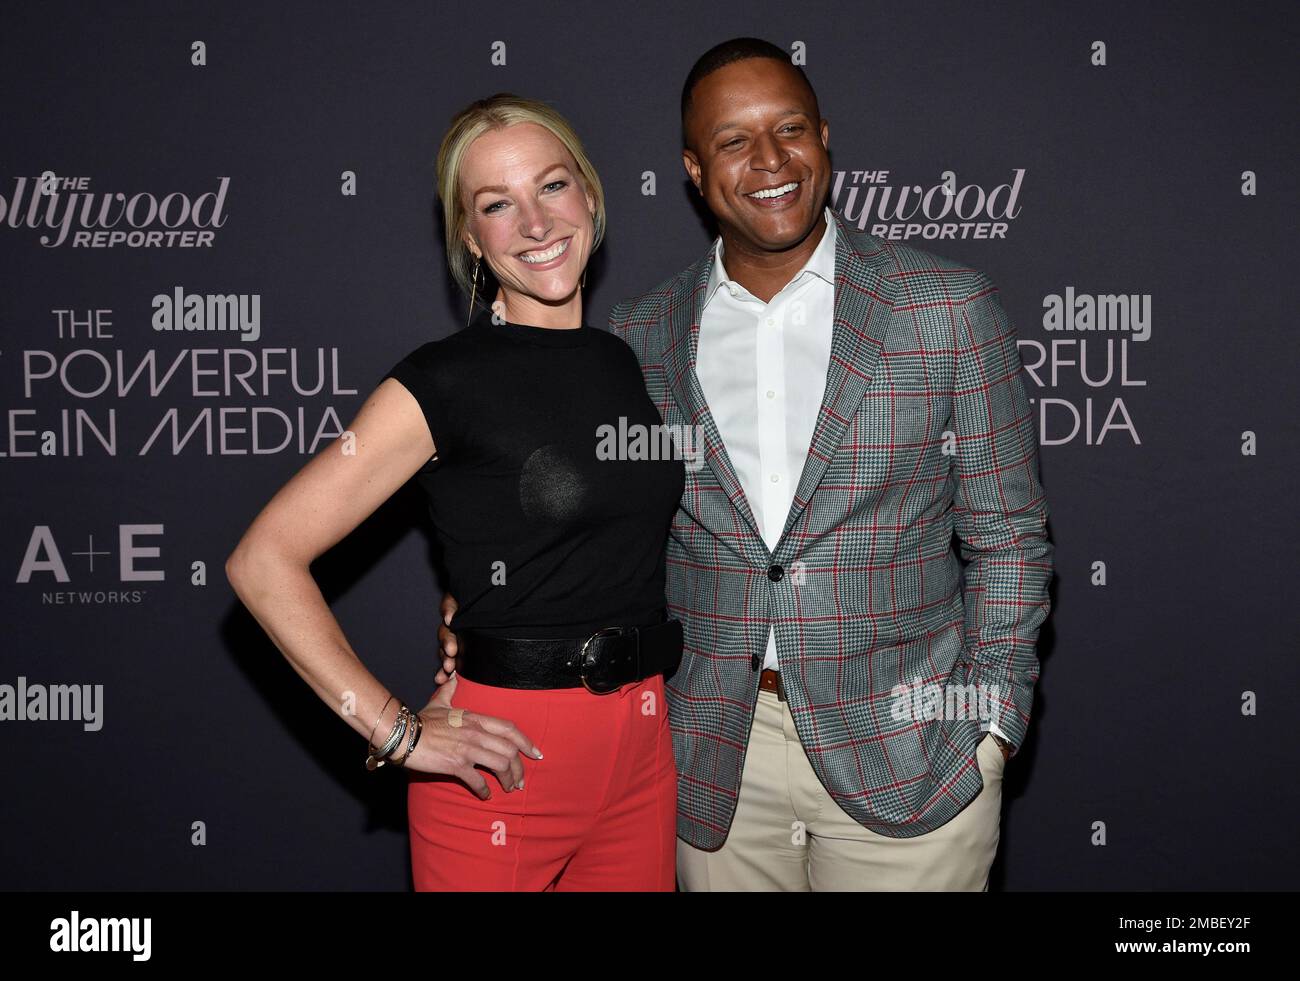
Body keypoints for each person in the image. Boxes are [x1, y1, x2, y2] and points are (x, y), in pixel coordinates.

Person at [437, 38, 1054, 891]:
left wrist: (991, 721)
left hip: (915, 749)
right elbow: (583, 521)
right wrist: (472, 613)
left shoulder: (946, 308)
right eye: (733, 141)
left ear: (825, 138)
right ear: (695, 169)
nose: (769, 161)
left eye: (789, 129)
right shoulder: (641, 340)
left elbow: (1010, 536)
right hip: (711, 758)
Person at [226, 93, 684, 891]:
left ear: (591, 196)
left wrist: (462, 598)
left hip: (643, 756)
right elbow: (263, 561)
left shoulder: (624, 361)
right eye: (497, 205)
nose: (537, 224)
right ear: (472, 239)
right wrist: (397, 732)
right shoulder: (442, 380)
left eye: (552, 187)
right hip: (502, 770)